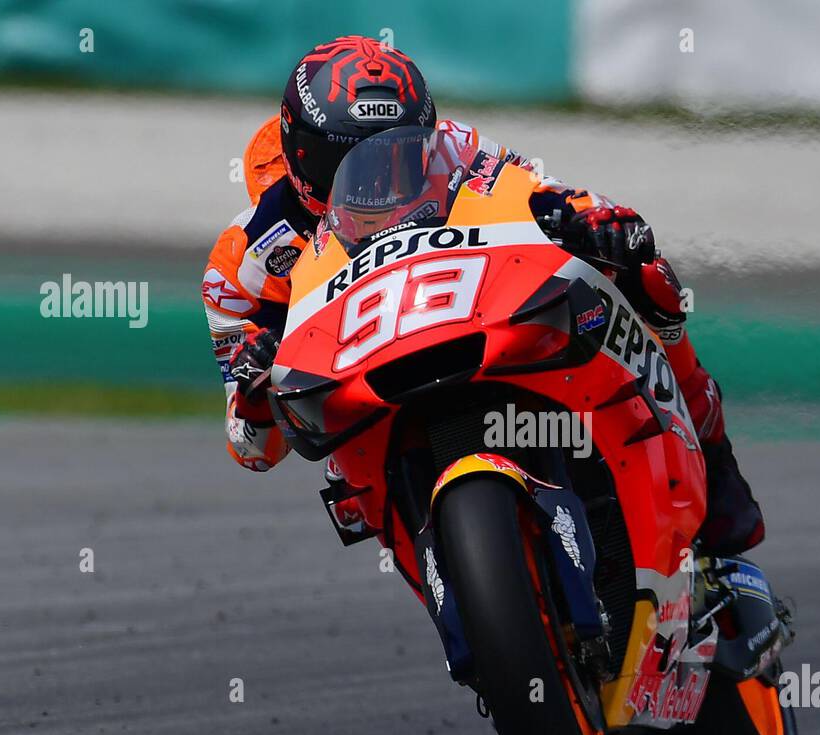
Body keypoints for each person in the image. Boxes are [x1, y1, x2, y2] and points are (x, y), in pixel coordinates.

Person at [202, 36, 763, 555]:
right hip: (366, 398)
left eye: (397, 154)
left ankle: (712, 462)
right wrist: (255, 390)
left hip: (474, 325)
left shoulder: (455, 148)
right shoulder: (245, 261)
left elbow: (542, 195)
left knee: (646, 276)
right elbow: (249, 448)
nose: (375, 181)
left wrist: (593, 220)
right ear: (299, 152)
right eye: (344, 163)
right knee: (346, 489)